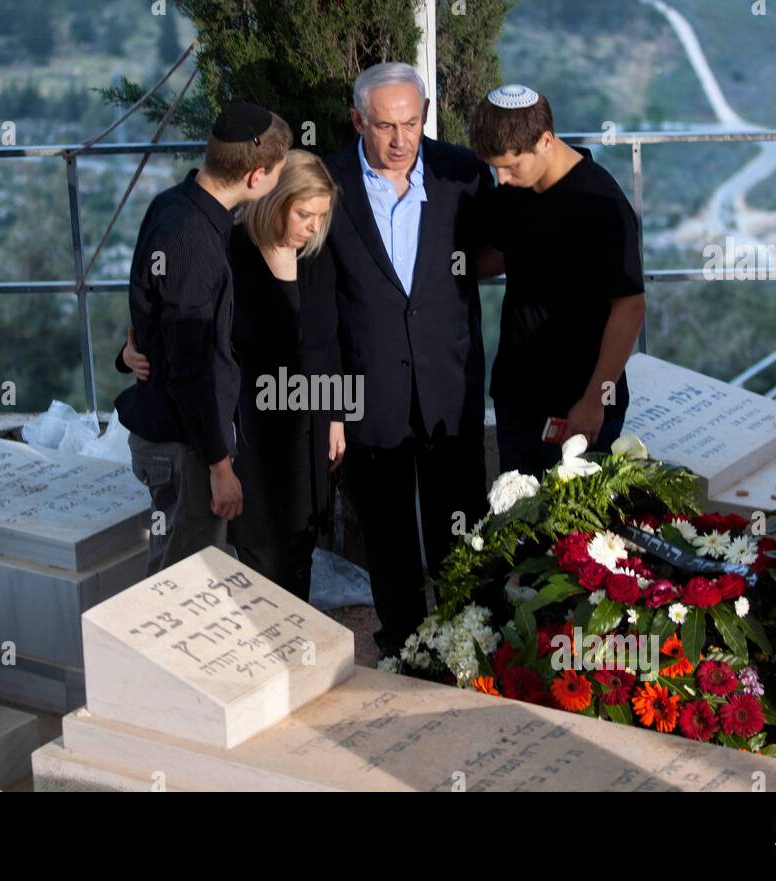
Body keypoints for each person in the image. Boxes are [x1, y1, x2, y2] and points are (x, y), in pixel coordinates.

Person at [323, 62, 499, 657]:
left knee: (462, 524)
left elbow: (493, 252)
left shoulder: (462, 173)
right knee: (387, 533)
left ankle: (470, 644)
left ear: (425, 115)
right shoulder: (327, 182)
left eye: (411, 123)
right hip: (368, 392)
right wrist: (331, 404)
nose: (400, 140)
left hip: (449, 385)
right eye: (384, 126)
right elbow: (317, 309)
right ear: (358, 121)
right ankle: (405, 649)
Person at [120, 151, 346, 600]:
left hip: (308, 432)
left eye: (322, 217)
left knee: (301, 549)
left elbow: (332, 340)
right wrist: (129, 351)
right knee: (261, 556)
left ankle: (294, 637)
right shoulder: (230, 251)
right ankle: (266, 638)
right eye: (304, 214)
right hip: (251, 437)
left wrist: (337, 414)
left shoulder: (318, 257)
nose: (313, 227)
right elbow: (181, 325)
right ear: (275, 201)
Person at [114, 103, 291, 575]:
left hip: (172, 434)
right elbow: (191, 369)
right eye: (277, 172)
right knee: (181, 584)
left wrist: (129, 352)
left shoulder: (171, 204)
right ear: (255, 177)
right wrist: (219, 466)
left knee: (175, 575)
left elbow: (152, 308)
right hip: (185, 447)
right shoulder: (195, 244)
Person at [469, 84, 646, 477]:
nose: (502, 178)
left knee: (576, 517)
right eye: (495, 167)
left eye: (511, 166)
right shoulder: (517, 189)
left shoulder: (602, 205)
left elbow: (630, 306)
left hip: (579, 403)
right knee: (517, 514)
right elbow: (508, 250)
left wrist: (594, 400)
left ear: (546, 141)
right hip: (517, 395)